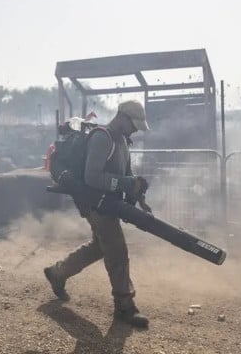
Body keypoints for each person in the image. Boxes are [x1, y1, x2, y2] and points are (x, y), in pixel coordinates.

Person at [44, 99, 153, 328]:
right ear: (122, 117)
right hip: (95, 203)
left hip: (108, 204)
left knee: (99, 246)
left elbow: (127, 174)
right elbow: (92, 178)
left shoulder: (121, 140)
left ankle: (57, 273)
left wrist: (137, 196)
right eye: (134, 124)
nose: (135, 129)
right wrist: (125, 183)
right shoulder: (102, 138)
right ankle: (125, 307)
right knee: (117, 251)